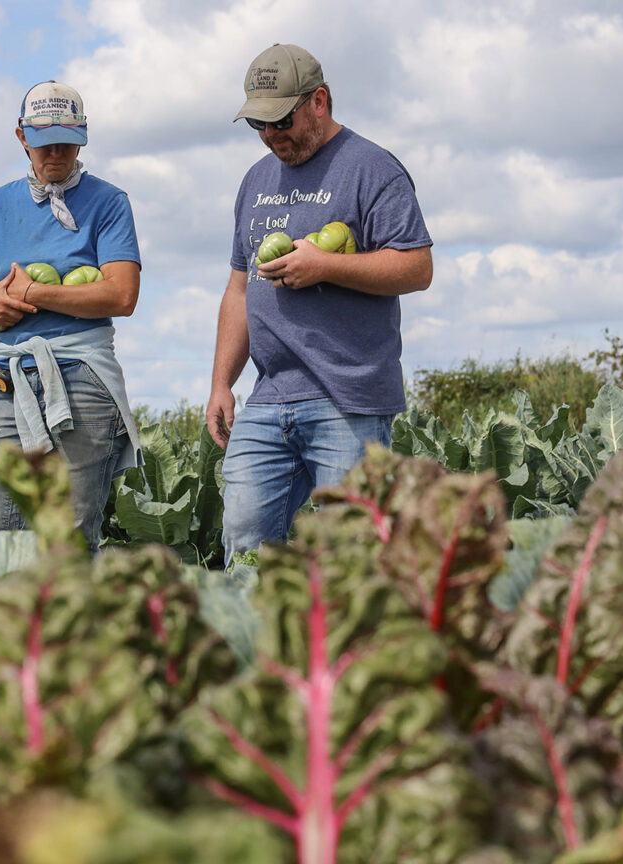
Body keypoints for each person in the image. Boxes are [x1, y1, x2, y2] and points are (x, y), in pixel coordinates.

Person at [206, 44, 433, 566]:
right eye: (259, 124)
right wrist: (221, 383)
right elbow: (239, 289)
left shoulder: (372, 169)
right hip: (268, 398)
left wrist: (326, 266)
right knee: (243, 543)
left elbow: (417, 267)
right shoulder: (256, 180)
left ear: (319, 101)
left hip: (348, 399)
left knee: (349, 558)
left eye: (282, 121)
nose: (271, 135)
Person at [0, 80, 142, 553]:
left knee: (67, 543)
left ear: (83, 138)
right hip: (5, 376)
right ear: (22, 137)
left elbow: (122, 295)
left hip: (81, 374)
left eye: (67, 142)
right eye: (45, 143)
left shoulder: (109, 202)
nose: (56, 153)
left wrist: (34, 294)